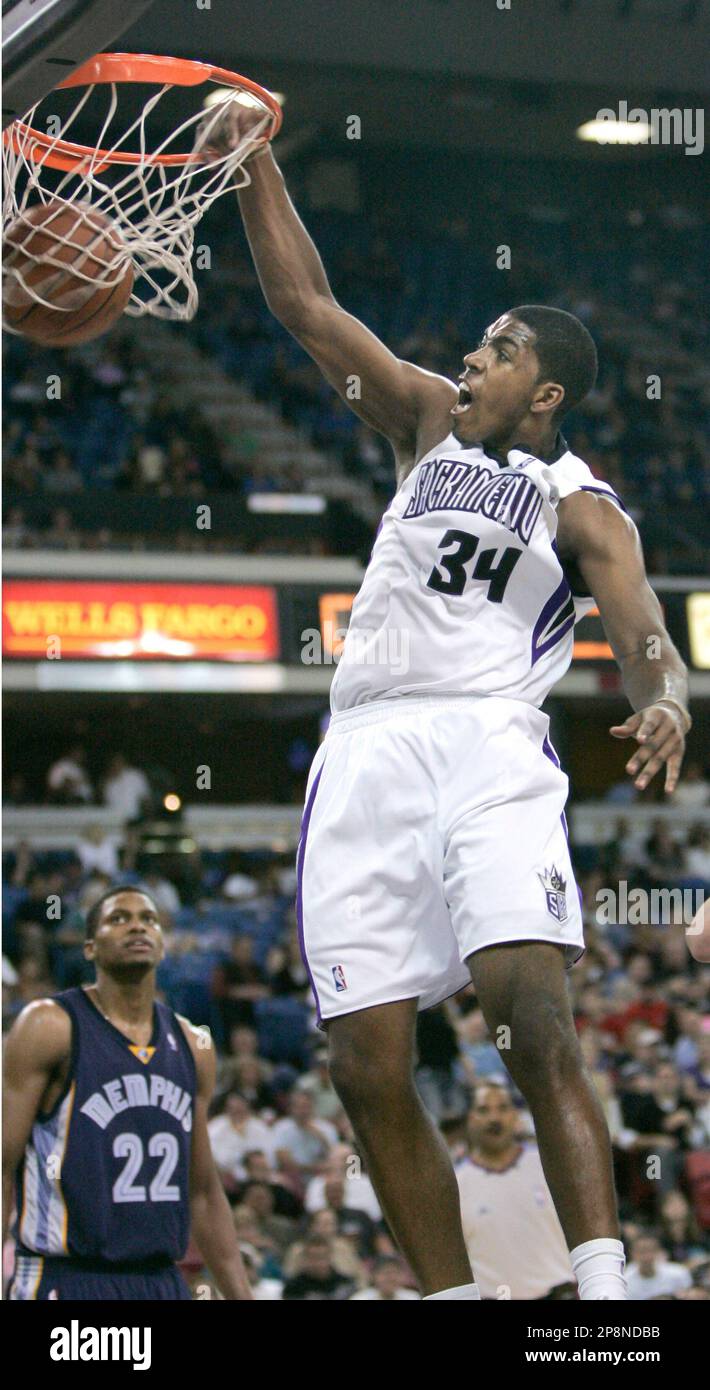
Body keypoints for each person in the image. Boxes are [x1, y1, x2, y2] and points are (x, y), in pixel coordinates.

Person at [203, 105, 691, 1302]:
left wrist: (663, 695)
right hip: (365, 744)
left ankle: (601, 1284)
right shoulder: (424, 422)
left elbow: (640, 633)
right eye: (470, 346)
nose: (467, 360)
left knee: (527, 1008)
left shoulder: (585, 507)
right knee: (365, 1067)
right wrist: (252, 162)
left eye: (495, 349)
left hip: (484, 742)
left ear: (546, 393)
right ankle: (453, 1297)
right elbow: (306, 312)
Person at [2, 886, 251, 1300]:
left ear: (162, 943)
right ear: (89, 948)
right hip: (65, 1276)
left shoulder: (194, 1045)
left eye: (148, 919)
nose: (137, 925)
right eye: (118, 918)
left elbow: (204, 1193)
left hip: (159, 1279)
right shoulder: (50, 1026)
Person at [455, 1084, 576, 1300]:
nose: (494, 1118)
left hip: (560, 1294)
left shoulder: (549, 1165)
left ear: (515, 1115)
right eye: (484, 1110)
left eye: (502, 1108)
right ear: (470, 1118)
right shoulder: (455, 1184)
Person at [625, 1234, 693, 1300]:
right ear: (632, 1254)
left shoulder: (678, 1273)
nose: (646, 1256)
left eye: (649, 1250)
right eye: (641, 1251)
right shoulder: (625, 1280)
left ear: (658, 1252)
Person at [350, 1256, 420, 1300]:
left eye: (395, 1273)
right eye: (386, 1273)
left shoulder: (412, 1296)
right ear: (374, 1275)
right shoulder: (361, 1298)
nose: (391, 1278)